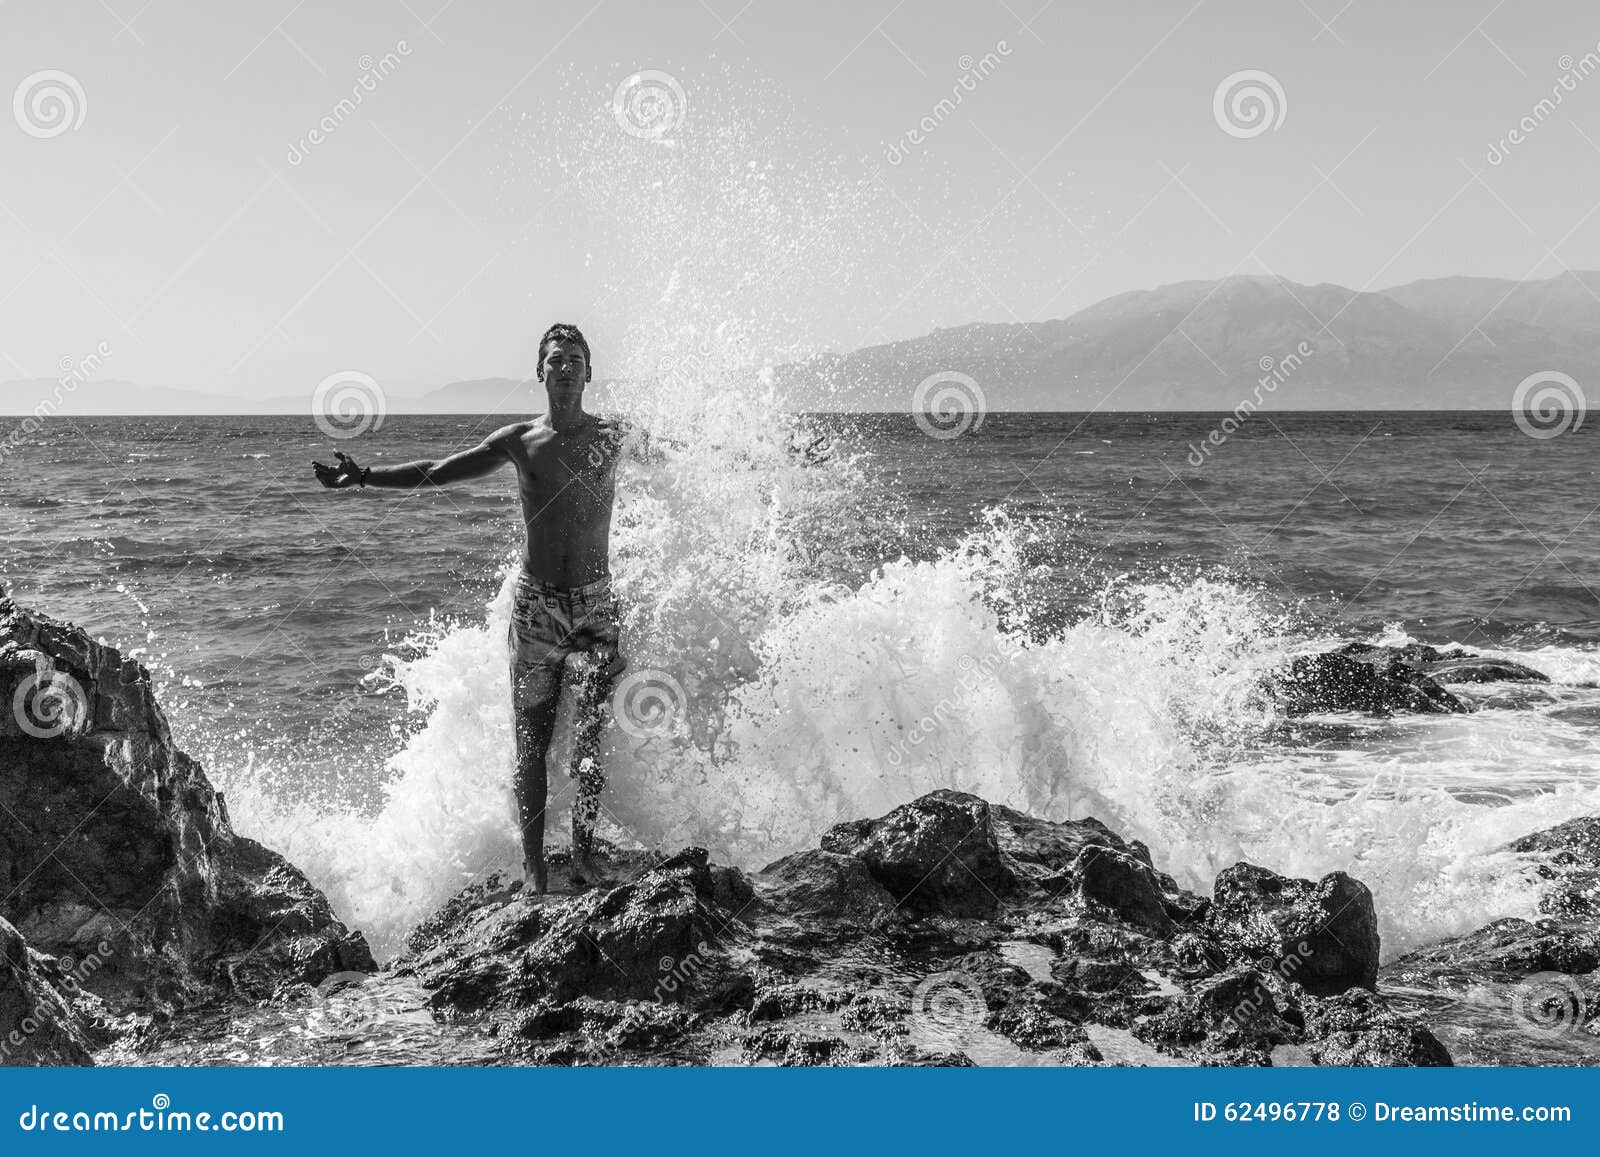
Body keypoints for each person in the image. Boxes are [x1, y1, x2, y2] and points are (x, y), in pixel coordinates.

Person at [313, 323, 629, 893]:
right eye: (554, 359)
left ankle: (584, 854)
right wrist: (363, 478)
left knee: (587, 738)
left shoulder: (613, 436)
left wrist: (776, 451)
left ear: (589, 371)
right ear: (540, 371)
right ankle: (535, 870)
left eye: (575, 359)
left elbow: (701, 448)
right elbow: (438, 472)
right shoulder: (518, 441)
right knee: (530, 745)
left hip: (594, 608)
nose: (565, 368)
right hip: (535, 610)